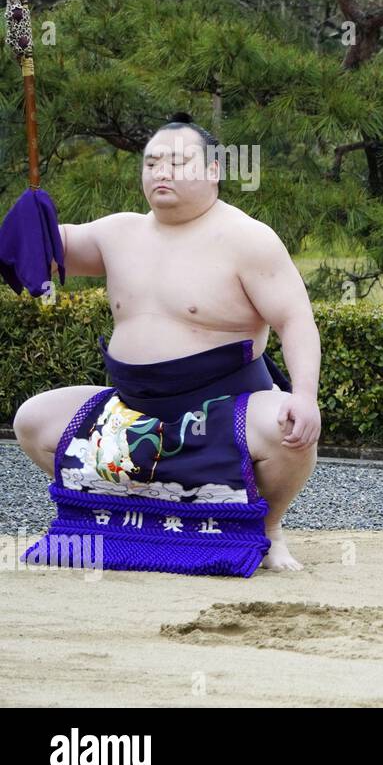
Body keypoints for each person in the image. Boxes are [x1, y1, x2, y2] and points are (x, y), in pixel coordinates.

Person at [8, 114, 321, 572]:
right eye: (152, 162)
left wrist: (305, 395)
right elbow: (52, 250)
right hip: (130, 407)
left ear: (214, 170)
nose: (161, 171)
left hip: (223, 404)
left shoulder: (247, 239)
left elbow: (296, 320)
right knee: (33, 420)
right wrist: (33, 218)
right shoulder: (118, 232)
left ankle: (267, 529)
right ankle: (127, 516)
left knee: (288, 432)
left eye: (178, 161)